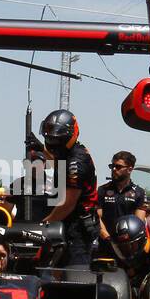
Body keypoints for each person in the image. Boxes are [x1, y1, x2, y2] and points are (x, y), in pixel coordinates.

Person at [37, 109, 99, 267]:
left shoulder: (76, 162)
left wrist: (43, 225)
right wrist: (38, 147)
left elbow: (67, 204)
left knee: (74, 274)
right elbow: (55, 161)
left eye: (56, 139)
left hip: (77, 227)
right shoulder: (69, 153)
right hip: (66, 222)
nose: (51, 143)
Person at [97, 151, 147, 244]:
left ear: (129, 169)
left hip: (128, 245)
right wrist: (107, 238)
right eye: (112, 166)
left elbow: (138, 222)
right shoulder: (102, 190)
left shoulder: (139, 193)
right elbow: (96, 217)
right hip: (106, 244)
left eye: (118, 166)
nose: (114, 169)